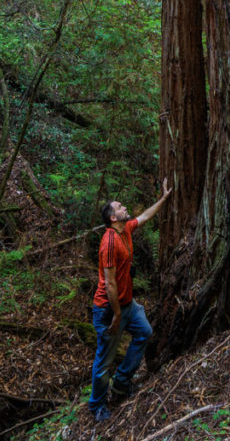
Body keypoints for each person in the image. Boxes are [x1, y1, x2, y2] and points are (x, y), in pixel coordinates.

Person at [88, 177, 173, 423]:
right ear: (112, 218)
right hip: (108, 309)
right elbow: (110, 282)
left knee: (144, 332)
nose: (125, 208)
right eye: (120, 207)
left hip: (127, 304)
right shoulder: (110, 243)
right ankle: (97, 406)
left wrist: (164, 198)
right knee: (104, 358)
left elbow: (145, 216)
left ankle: (122, 383)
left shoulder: (125, 230)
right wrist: (116, 315)